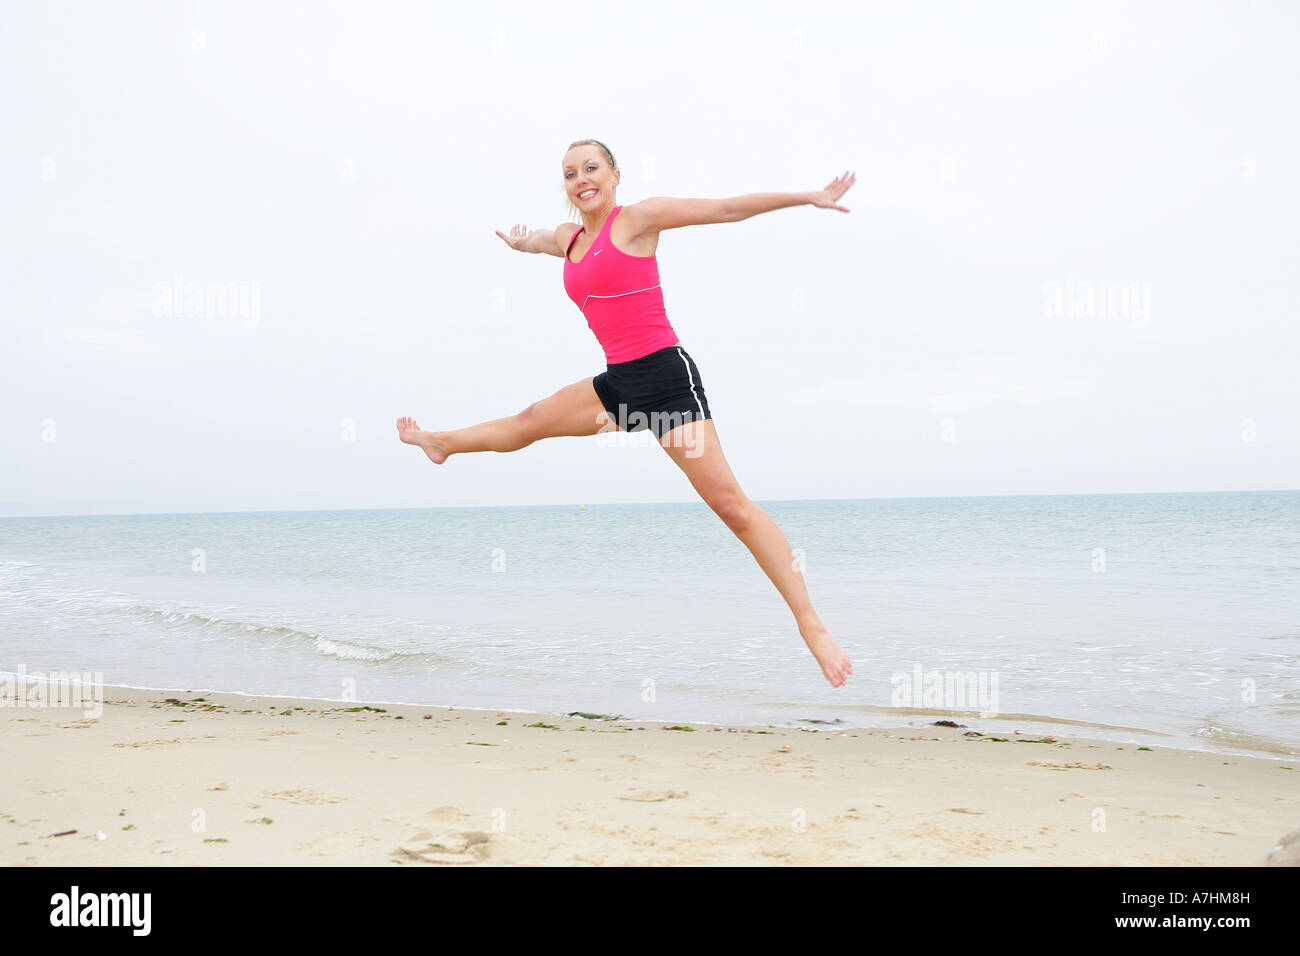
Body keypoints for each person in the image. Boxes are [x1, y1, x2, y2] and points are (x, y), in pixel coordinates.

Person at [398, 138, 855, 687]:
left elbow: (726, 209)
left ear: (614, 175)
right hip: (619, 387)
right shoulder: (569, 239)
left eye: (591, 168)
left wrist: (809, 196)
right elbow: (542, 240)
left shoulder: (638, 221)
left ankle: (811, 625)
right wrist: (521, 244)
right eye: (570, 173)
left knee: (732, 508)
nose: (581, 179)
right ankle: (442, 443)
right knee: (529, 423)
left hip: (667, 384)